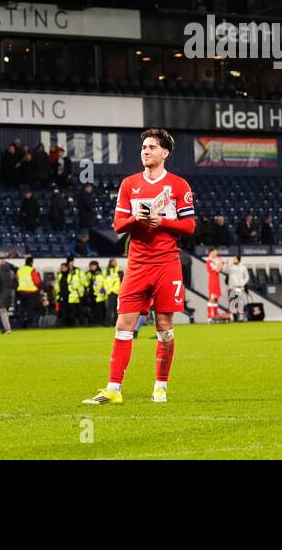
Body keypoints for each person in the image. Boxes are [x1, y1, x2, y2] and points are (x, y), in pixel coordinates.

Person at [83, 128, 195, 405]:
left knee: (164, 325)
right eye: (144, 147)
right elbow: (119, 226)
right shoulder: (129, 184)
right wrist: (137, 218)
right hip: (137, 264)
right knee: (123, 324)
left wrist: (162, 222)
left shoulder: (179, 185)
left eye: (152, 147)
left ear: (165, 153)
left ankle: (160, 385)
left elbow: (190, 226)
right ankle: (113, 389)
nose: (146, 151)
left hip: (167, 263)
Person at [15, 255, 42, 328]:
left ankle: (22, 324)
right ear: (31, 262)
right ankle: (30, 325)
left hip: (22, 292)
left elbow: (16, 280)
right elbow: (37, 282)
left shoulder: (19, 270)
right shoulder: (32, 270)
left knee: (22, 310)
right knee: (30, 310)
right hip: (31, 293)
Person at [0, 258, 17, 334]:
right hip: (11, 293)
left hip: (3, 293)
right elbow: (16, 284)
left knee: (3, 311)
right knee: (6, 310)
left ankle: (7, 328)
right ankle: (4, 328)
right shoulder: (11, 272)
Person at [227, 255, 250, 321]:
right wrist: (227, 264)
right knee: (232, 302)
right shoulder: (231, 267)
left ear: (238, 259)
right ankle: (231, 317)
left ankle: (241, 317)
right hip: (232, 287)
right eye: (233, 259)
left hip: (239, 287)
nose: (233, 260)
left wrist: (243, 283)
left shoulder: (243, 267)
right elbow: (225, 271)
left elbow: (247, 277)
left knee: (239, 302)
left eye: (235, 259)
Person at [205, 248, 224, 321]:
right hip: (212, 282)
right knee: (211, 298)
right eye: (215, 253)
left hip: (216, 281)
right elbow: (217, 269)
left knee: (216, 298)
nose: (216, 254)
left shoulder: (213, 261)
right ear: (211, 253)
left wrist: (220, 263)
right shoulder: (209, 261)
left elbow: (219, 269)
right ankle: (209, 317)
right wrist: (220, 263)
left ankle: (216, 315)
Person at [101, 258, 121, 325]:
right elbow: (104, 281)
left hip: (117, 291)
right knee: (110, 307)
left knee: (116, 307)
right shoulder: (107, 271)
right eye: (114, 262)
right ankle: (108, 322)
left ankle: (114, 322)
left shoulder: (118, 270)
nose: (115, 263)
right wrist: (107, 289)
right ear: (111, 263)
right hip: (111, 291)